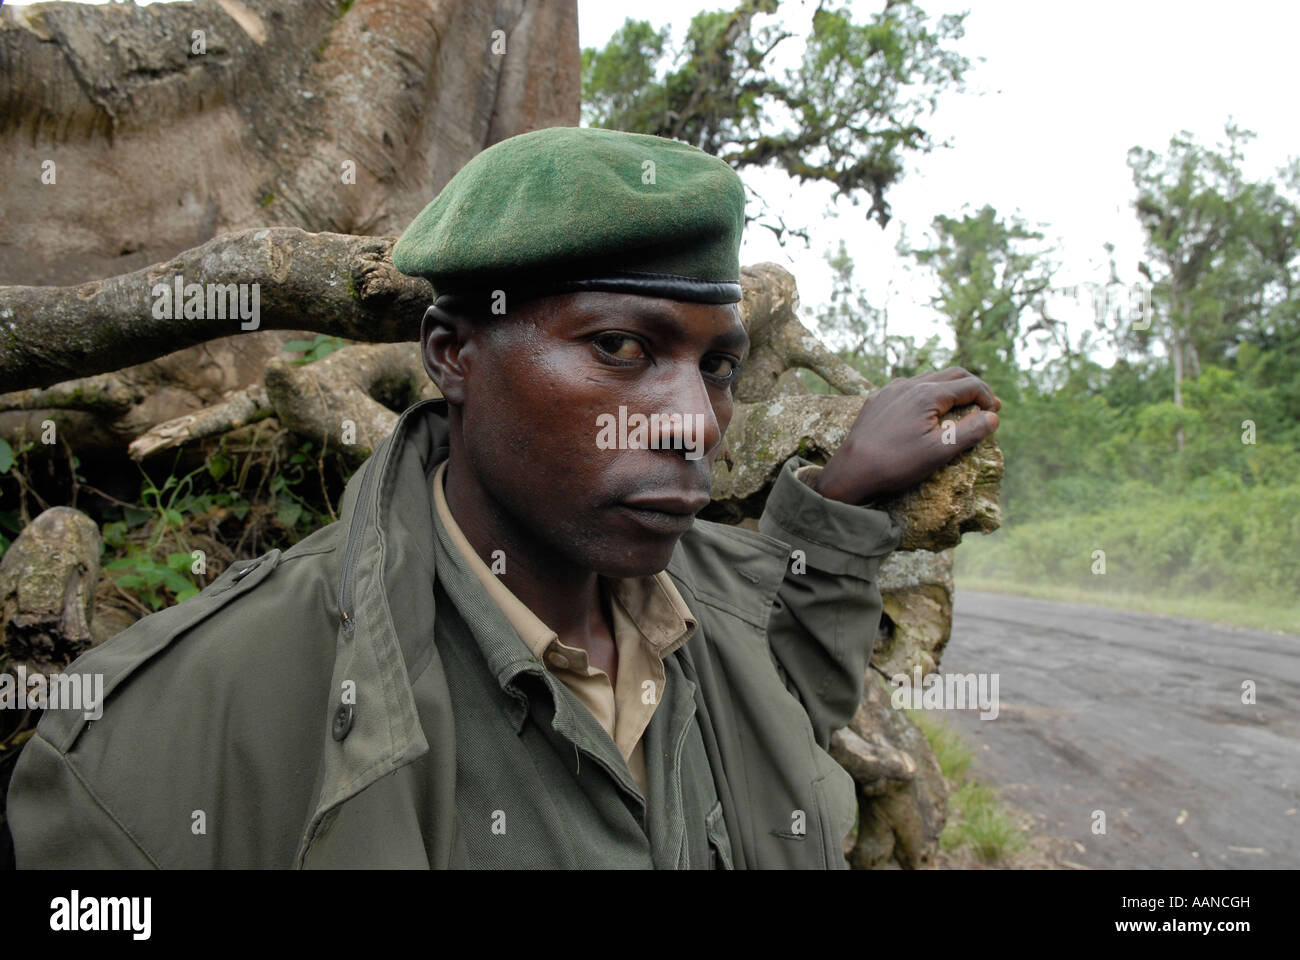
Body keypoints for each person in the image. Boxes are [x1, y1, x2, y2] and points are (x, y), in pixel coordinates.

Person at [5, 126, 999, 868]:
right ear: (454, 356)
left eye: (718, 368)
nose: (692, 421)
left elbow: (798, 695)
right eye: (620, 347)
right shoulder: (174, 742)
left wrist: (839, 501)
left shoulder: (728, 606)